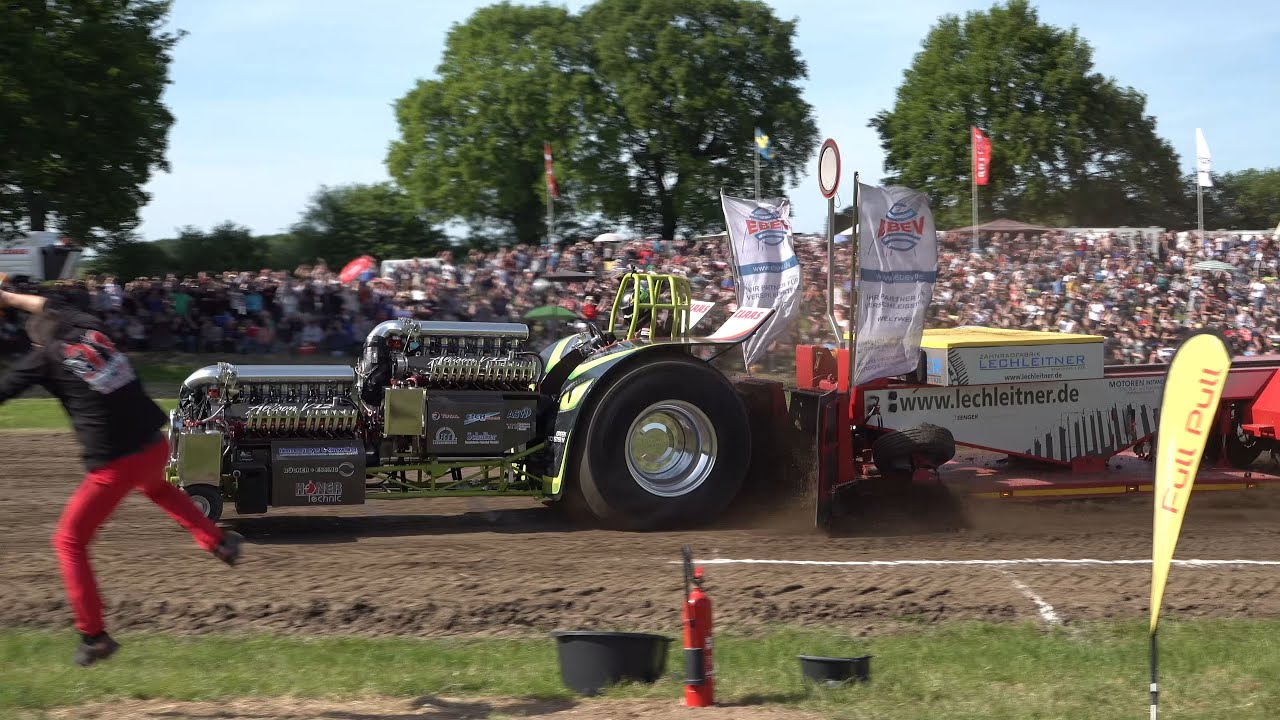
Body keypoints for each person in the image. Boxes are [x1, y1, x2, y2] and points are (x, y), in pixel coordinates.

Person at [0, 280, 243, 667]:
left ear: (36, 342)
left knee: (69, 541)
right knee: (158, 490)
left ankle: (93, 635)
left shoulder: (43, 357)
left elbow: (4, 389)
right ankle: (218, 542)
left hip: (116, 462)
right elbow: (49, 304)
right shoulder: (87, 326)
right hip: (154, 444)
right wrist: (9, 297)